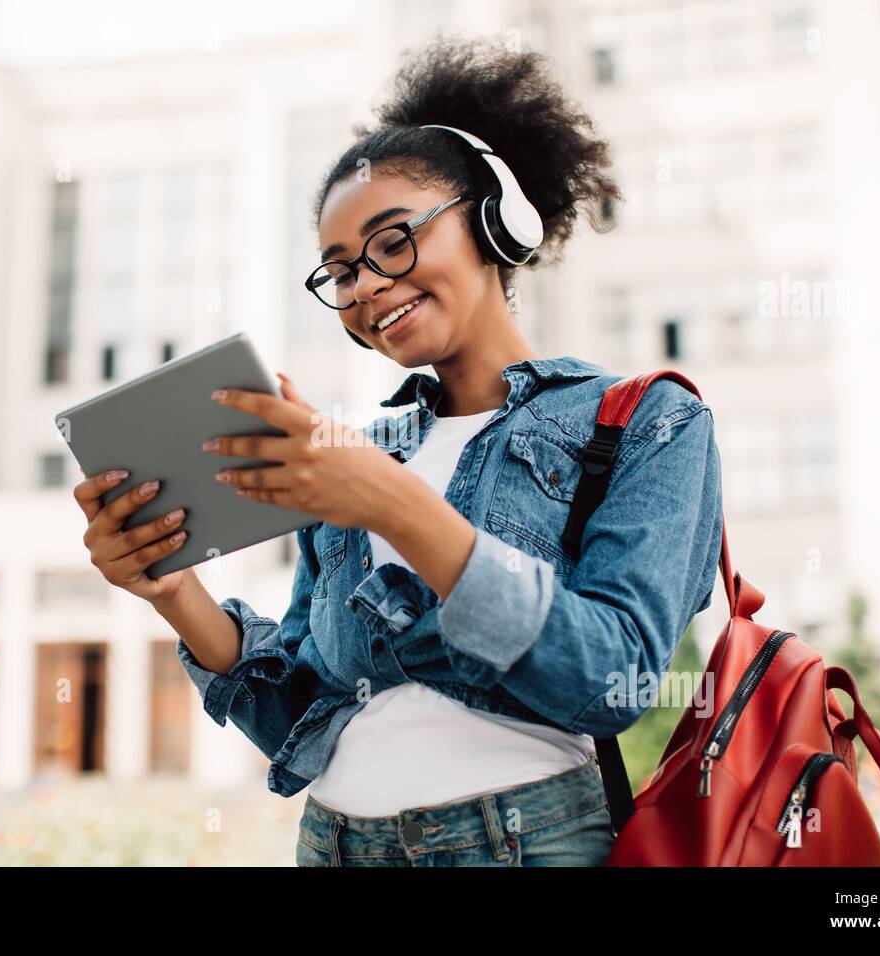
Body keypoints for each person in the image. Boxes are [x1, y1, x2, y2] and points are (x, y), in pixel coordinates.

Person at [73, 34, 724, 866]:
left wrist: (390, 501)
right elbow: (304, 712)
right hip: (335, 843)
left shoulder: (648, 421)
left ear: (494, 222)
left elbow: (610, 680)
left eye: (392, 242)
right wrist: (175, 595)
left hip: (523, 844)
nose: (368, 287)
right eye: (340, 272)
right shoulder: (351, 455)